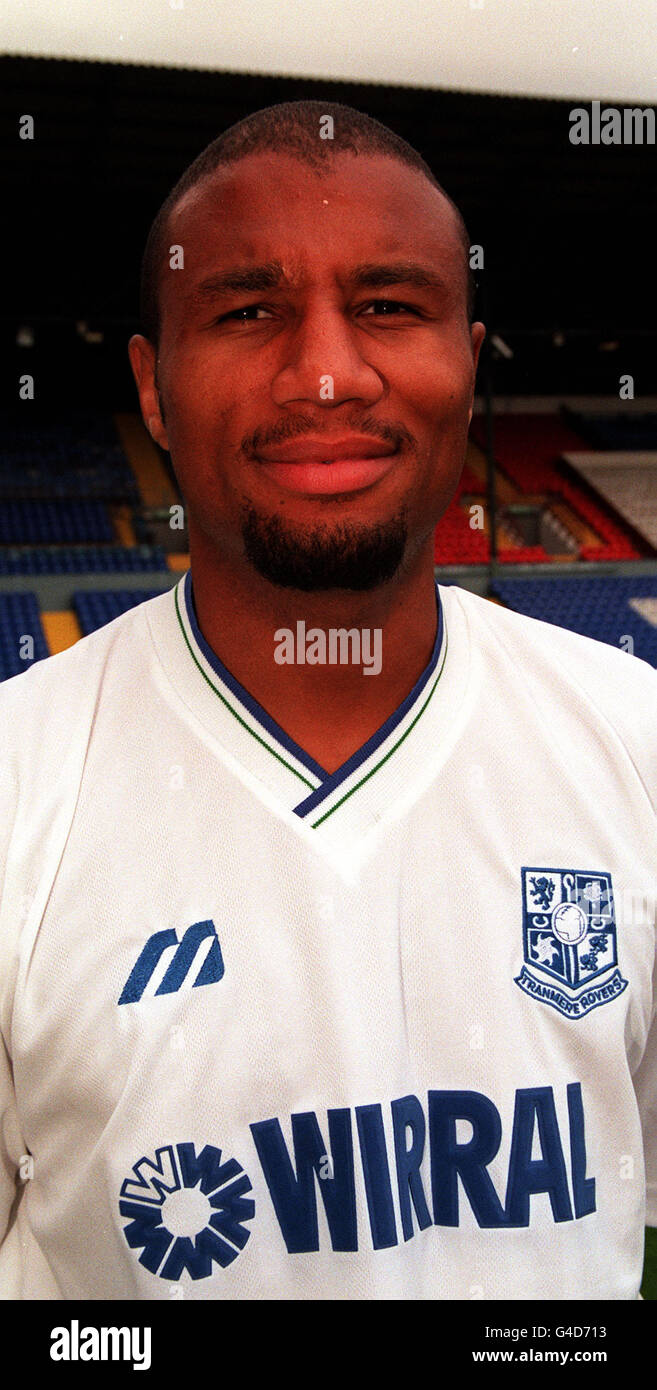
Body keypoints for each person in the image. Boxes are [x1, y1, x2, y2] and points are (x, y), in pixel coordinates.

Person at [0, 99, 655, 1301]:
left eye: (390, 307)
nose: (326, 374)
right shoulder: (17, 788)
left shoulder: (638, 747)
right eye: (247, 311)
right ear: (151, 385)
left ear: (469, 354)